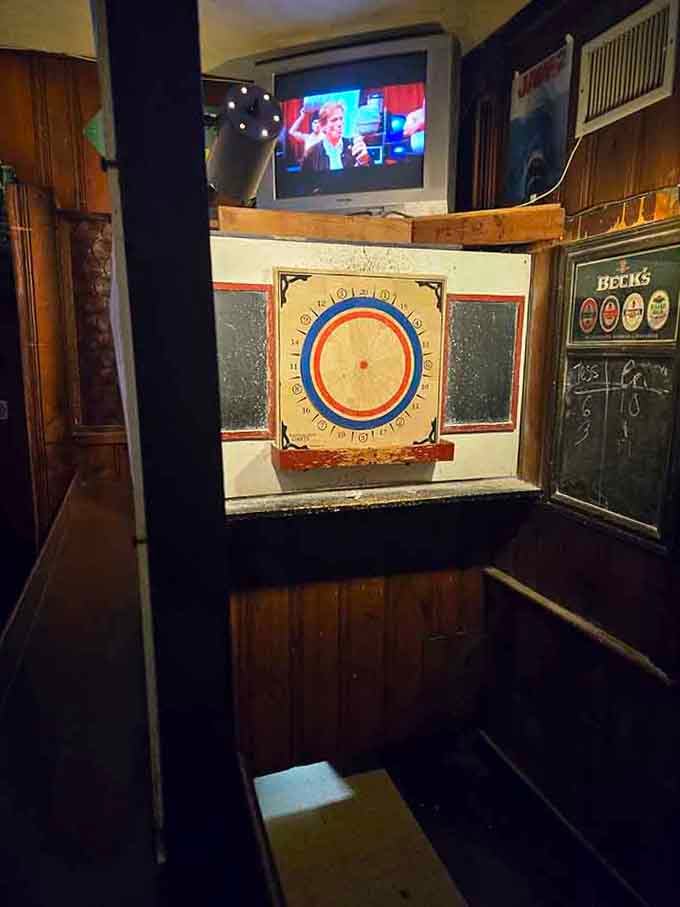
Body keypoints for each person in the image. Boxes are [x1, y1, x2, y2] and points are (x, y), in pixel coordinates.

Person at [301, 100, 371, 172]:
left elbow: (371, 175)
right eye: (334, 120)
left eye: (341, 119)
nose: (340, 124)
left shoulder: (355, 145)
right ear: (323, 126)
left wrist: (365, 162)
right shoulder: (311, 153)